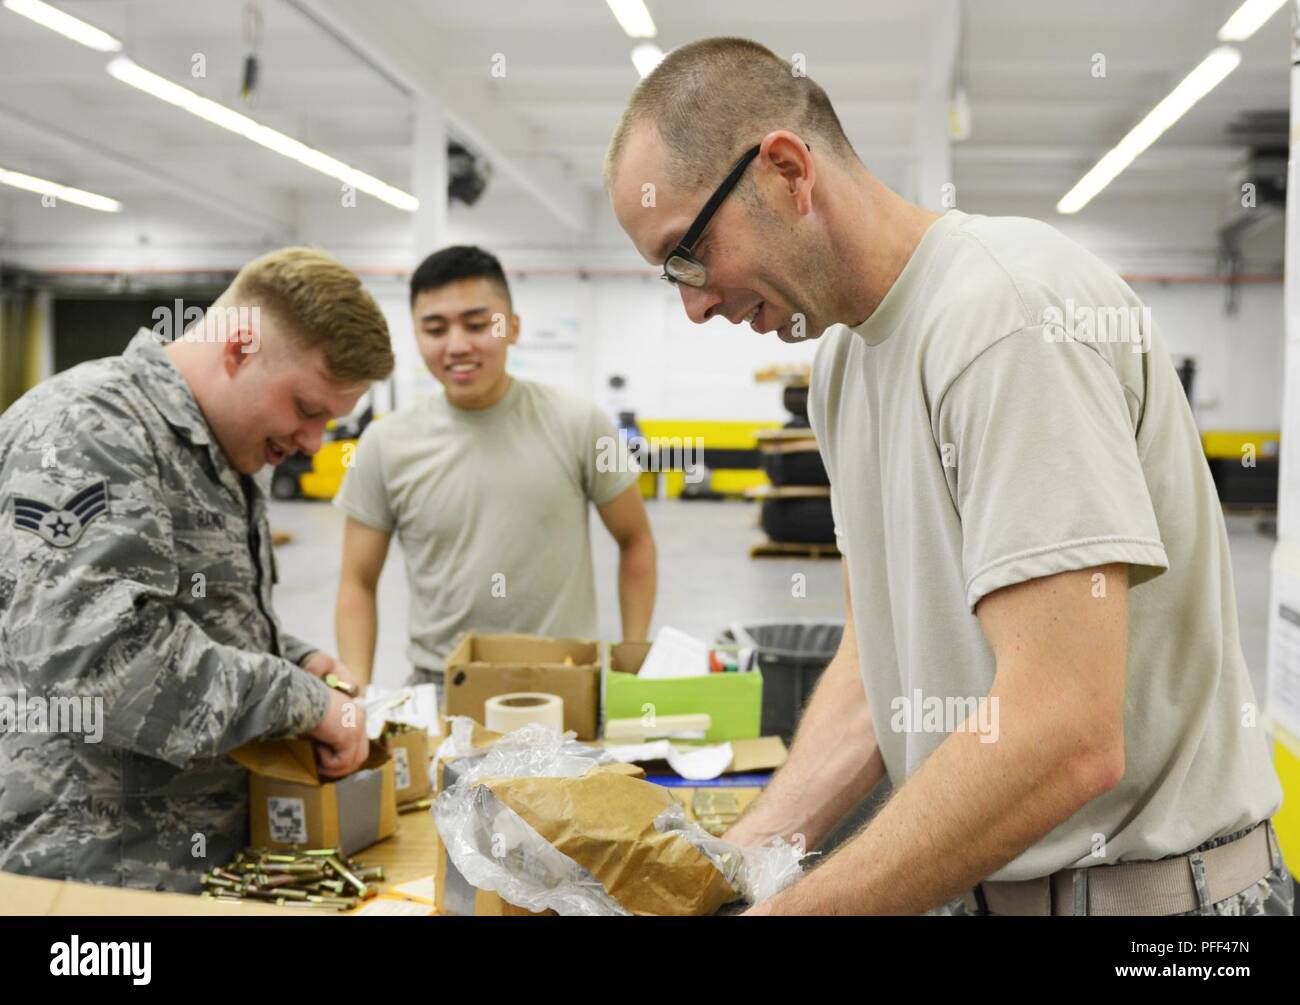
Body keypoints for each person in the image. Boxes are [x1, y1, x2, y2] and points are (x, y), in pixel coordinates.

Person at [604, 37, 1291, 916]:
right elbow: (875, 668)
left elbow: (1063, 733)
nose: (694, 304)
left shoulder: (1008, 317)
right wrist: (737, 863)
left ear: (786, 170)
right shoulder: (845, 366)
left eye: (688, 254)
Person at [0, 247, 392, 892]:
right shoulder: (90, 431)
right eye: (306, 407)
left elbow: (181, 615)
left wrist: (291, 657)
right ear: (239, 348)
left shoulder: (217, 446)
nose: (314, 442)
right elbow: (95, 663)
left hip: (187, 861)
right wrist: (303, 703)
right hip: (92, 878)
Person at [334, 245, 657, 690]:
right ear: (416, 336)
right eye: (435, 328)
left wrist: (633, 655)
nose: (457, 345)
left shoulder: (580, 424)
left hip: (565, 681)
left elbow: (635, 539)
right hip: (444, 686)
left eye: (477, 323)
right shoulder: (385, 444)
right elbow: (356, 582)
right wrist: (358, 695)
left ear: (513, 327)